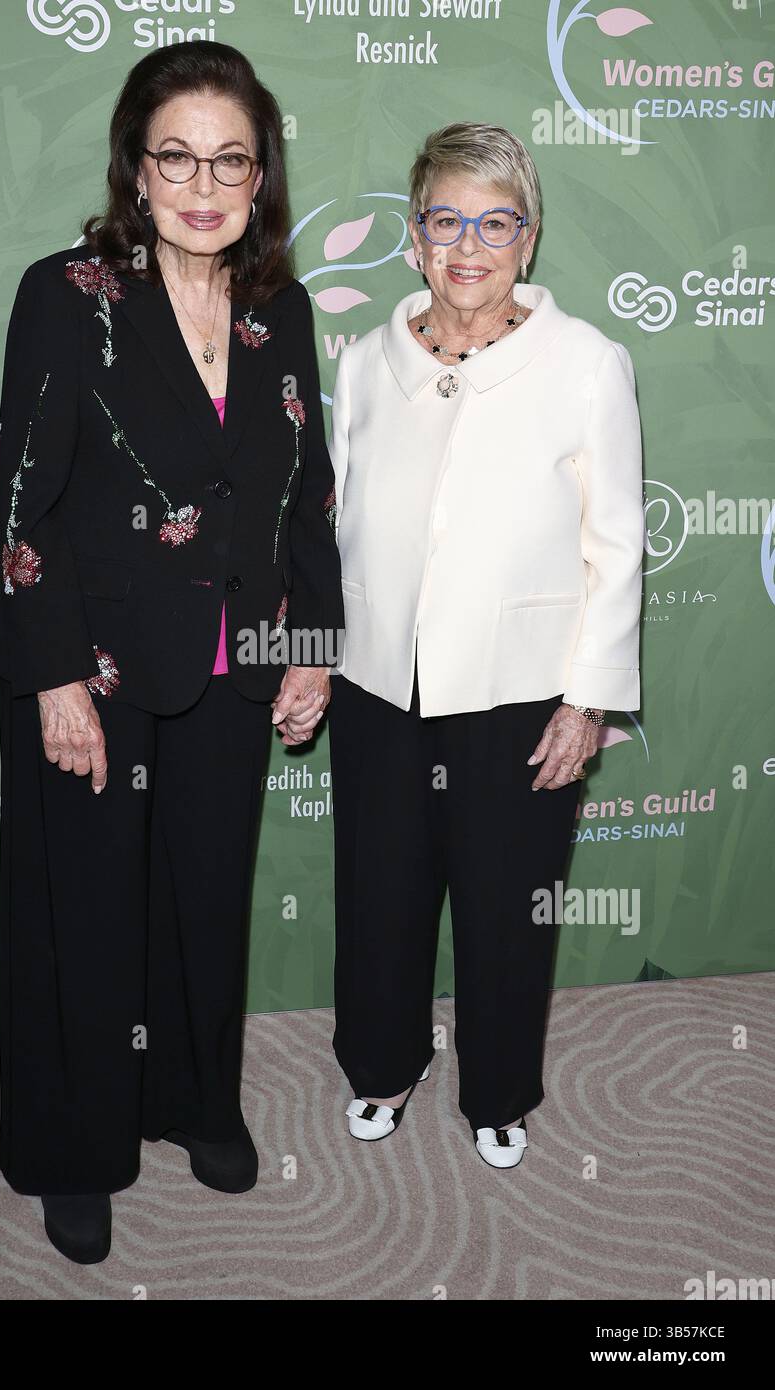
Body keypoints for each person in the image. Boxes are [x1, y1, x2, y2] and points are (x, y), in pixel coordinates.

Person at [0, 40, 342, 1262]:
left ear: (259, 173)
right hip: (96, 662)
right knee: (82, 907)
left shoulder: (276, 308)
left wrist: (313, 647)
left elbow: (306, 496)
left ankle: (194, 1100)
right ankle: (74, 1147)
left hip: (235, 660)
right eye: (175, 155)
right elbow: (24, 502)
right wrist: (51, 676)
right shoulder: (67, 293)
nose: (202, 182)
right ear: (137, 170)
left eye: (228, 158)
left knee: (203, 896)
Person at [326, 122, 643, 1168]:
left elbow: (616, 544)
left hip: (522, 691)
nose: (469, 245)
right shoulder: (366, 361)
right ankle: (383, 1063)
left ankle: (498, 1088)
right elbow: (333, 523)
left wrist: (587, 699)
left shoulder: (588, 364)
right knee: (378, 894)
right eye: (446, 220)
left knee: (509, 906)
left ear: (529, 238)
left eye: (494, 222)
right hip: (381, 681)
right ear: (414, 238)